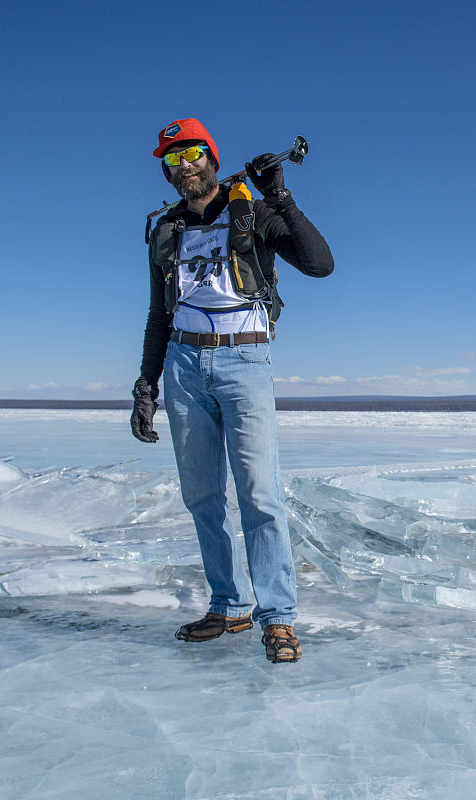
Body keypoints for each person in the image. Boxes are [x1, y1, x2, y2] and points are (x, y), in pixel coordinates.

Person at [130, 118, 334, 663]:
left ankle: (279, 617)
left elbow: (320, 265)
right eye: (172, 160)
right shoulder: (166, 230)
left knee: (259, 495)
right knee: (202, 497)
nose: (184, 167)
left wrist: (282, 198)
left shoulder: (252, 211)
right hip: (182, 361)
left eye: (192, 154)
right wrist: (146, 385)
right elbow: (157, 315)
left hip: (244, 356)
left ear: (212, 157)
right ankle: (229, 603)